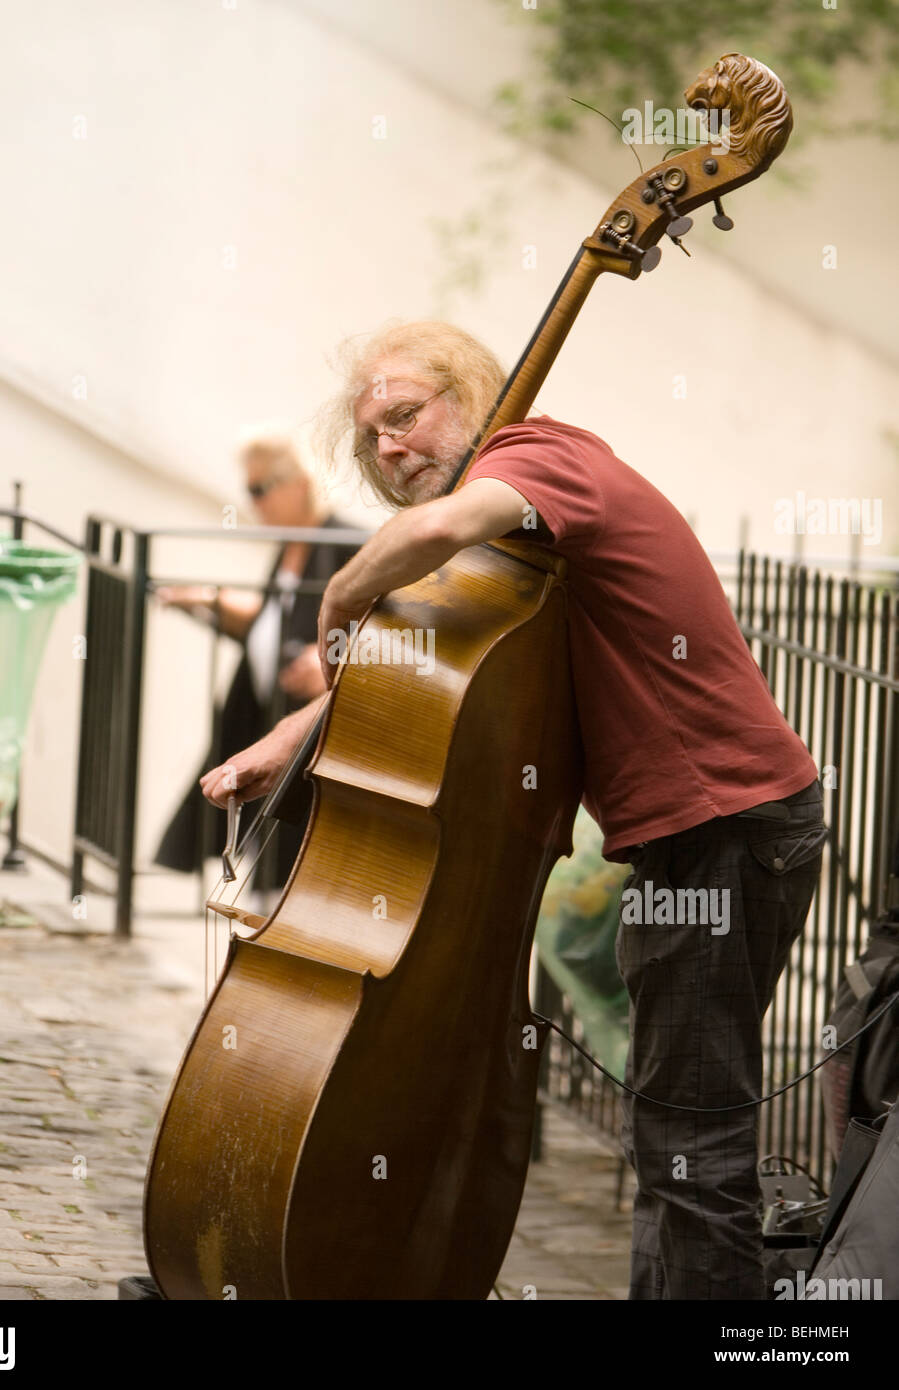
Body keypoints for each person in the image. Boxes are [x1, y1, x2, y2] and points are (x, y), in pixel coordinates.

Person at [199, 320, 827, 1301]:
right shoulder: (521, 537)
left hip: (724, 827)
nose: (390, 446)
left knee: (691, 1142)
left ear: (474, 393)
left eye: (405, 414)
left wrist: (334, 609)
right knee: (675, 1137)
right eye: (372, 438)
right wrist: (285, 744)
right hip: (704, 837)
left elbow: (429, 531)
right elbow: (431, 662)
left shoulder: (538, 456)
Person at [154, 429, 359, 892]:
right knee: (261, 848)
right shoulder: (291, 546)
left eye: (260, 489)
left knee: (293, 860)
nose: (253, 502)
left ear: (299, 485)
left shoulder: (345, 543)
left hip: (313, 732)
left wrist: (334, 659)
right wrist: (210, 601)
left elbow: (379, 626)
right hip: (266, 714)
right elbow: (274, 621)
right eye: (248, 490)